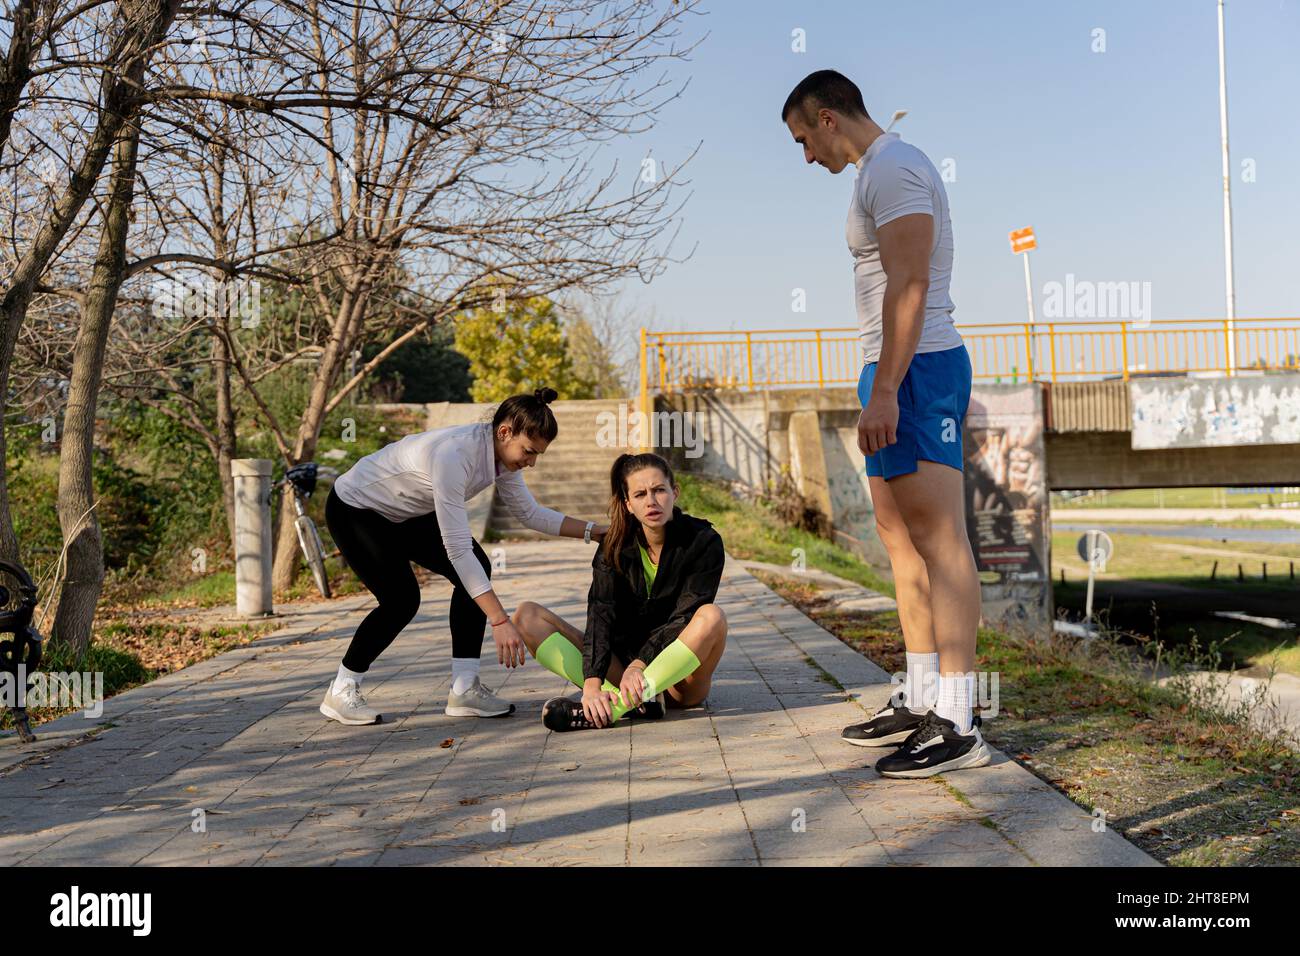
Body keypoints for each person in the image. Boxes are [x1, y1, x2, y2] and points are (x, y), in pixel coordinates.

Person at [782, 69, 989, 777]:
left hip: (920, 368)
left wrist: (890, 390)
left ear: (828, 117)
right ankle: (924, 696)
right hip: (889, 370)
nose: (806, 156)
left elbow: (912, 283)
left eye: (804, 139)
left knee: (941, 541)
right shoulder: (874, 172)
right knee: (901, 542)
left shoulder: (896, 167)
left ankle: (960, 720)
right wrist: (878, 382)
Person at [318, 387, 608, 725]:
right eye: (529, 452)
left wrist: (594, 531)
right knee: (401, 600)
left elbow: (529, 513)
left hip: (406, 511)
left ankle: (464, 688)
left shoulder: (502, 459)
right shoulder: (453, 456)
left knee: (479, 566)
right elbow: (456, 549)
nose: (531, 462)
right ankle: (342, 688)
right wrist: (500, 620)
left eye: (537, 455)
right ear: (504, 432)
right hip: (357, 509)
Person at [510, 452, 728, 731]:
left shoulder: (703, 541)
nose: (651, 501)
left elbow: (684, 617)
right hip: (621, 672)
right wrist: (591, 685)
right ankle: (616, 701)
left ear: (675, 492)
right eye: (640, 494)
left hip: (678, 684)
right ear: (627, 504)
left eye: (659, 490)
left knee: (711, 616)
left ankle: (612, 709)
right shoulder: (613, 546)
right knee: (526, 616)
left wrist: (640, 665)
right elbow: (600, 616)